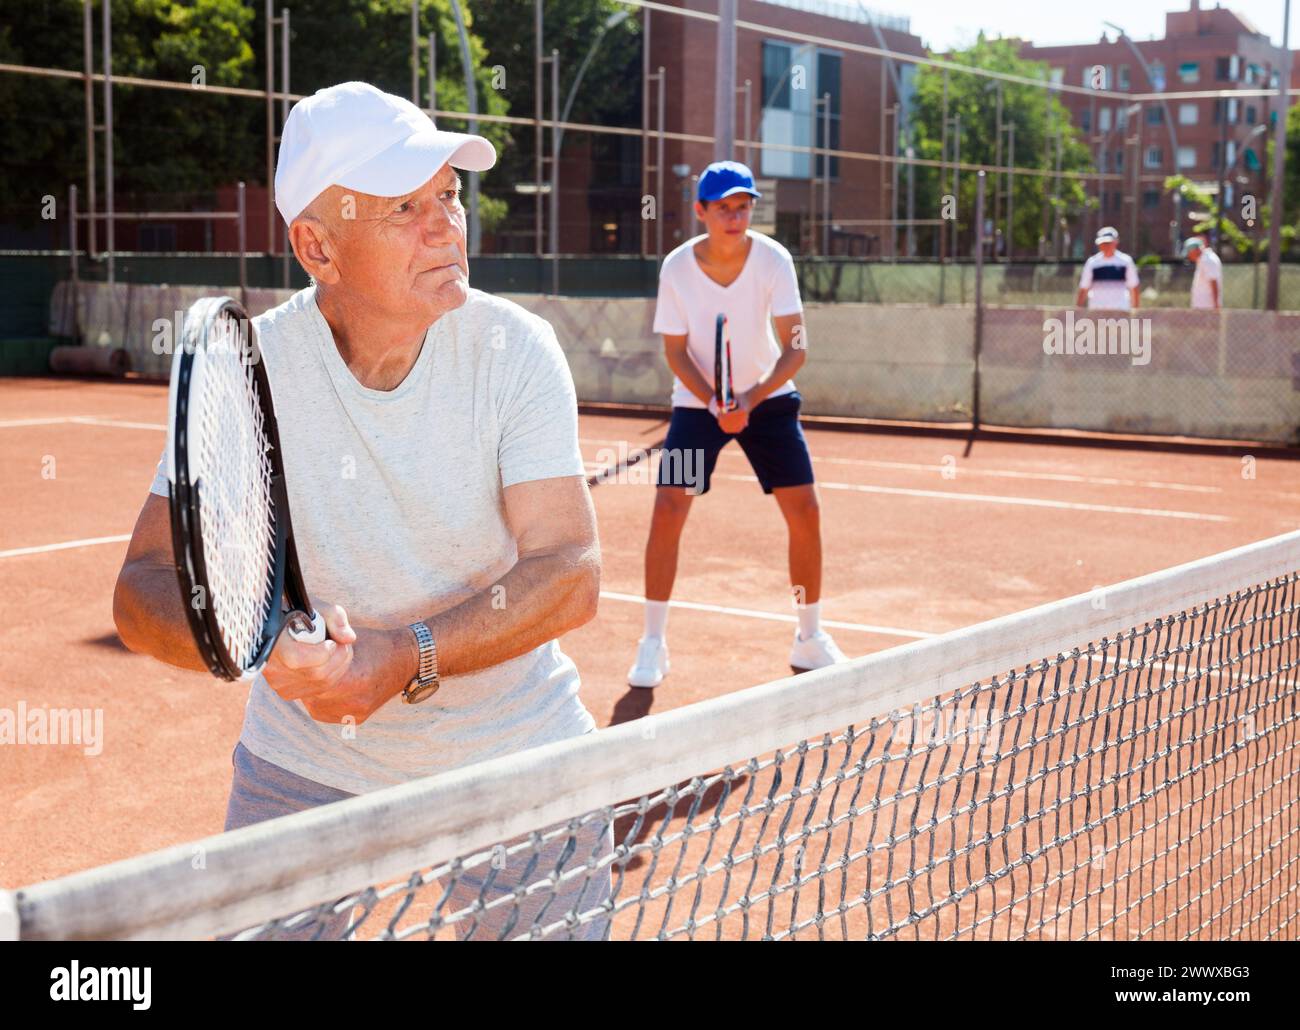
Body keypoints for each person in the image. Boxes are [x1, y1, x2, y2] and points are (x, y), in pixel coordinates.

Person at [112, 82, 608, 939]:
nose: (446, 224)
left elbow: (569, 571)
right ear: (317, 246)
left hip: (518, 759)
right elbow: (142, 589)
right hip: (306, 770)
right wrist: (263, 645)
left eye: (449, 196)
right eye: (405, 207)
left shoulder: (515, 349)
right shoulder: (250, 370)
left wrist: (403, 654)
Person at [627, 160, 847, 689]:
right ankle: (653, 641)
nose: (734, 216)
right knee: (668, 505)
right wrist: (715, 401)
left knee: (805, 510)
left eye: (742, 206)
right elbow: (676, 352)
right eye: (722, 207)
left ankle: (809, 636)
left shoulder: (774, 260)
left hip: (767, 401)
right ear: (700, 211)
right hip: (695, 405)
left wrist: (748, 398)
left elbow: (795, 349)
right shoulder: (677, 268)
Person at [1075, 226, 1140, 310]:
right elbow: (1084, 288)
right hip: (1097, 311)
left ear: (1116, 242)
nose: (1106, 246)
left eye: (1108, 243)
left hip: (1120, 310)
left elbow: (1134, 287)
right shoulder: (1092, 263)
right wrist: (1077, 311)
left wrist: (1136, 311)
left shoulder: (1126, 261)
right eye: (1103, 243)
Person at [1183, 236, 1223, 310]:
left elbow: (1214, 282)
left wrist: (1216, 306)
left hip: (1207, 308)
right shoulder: (1203, 260)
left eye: (1189, 252)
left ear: (1195, 250)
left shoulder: (1208, 260)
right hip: (1202, 307)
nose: (1188, 256)